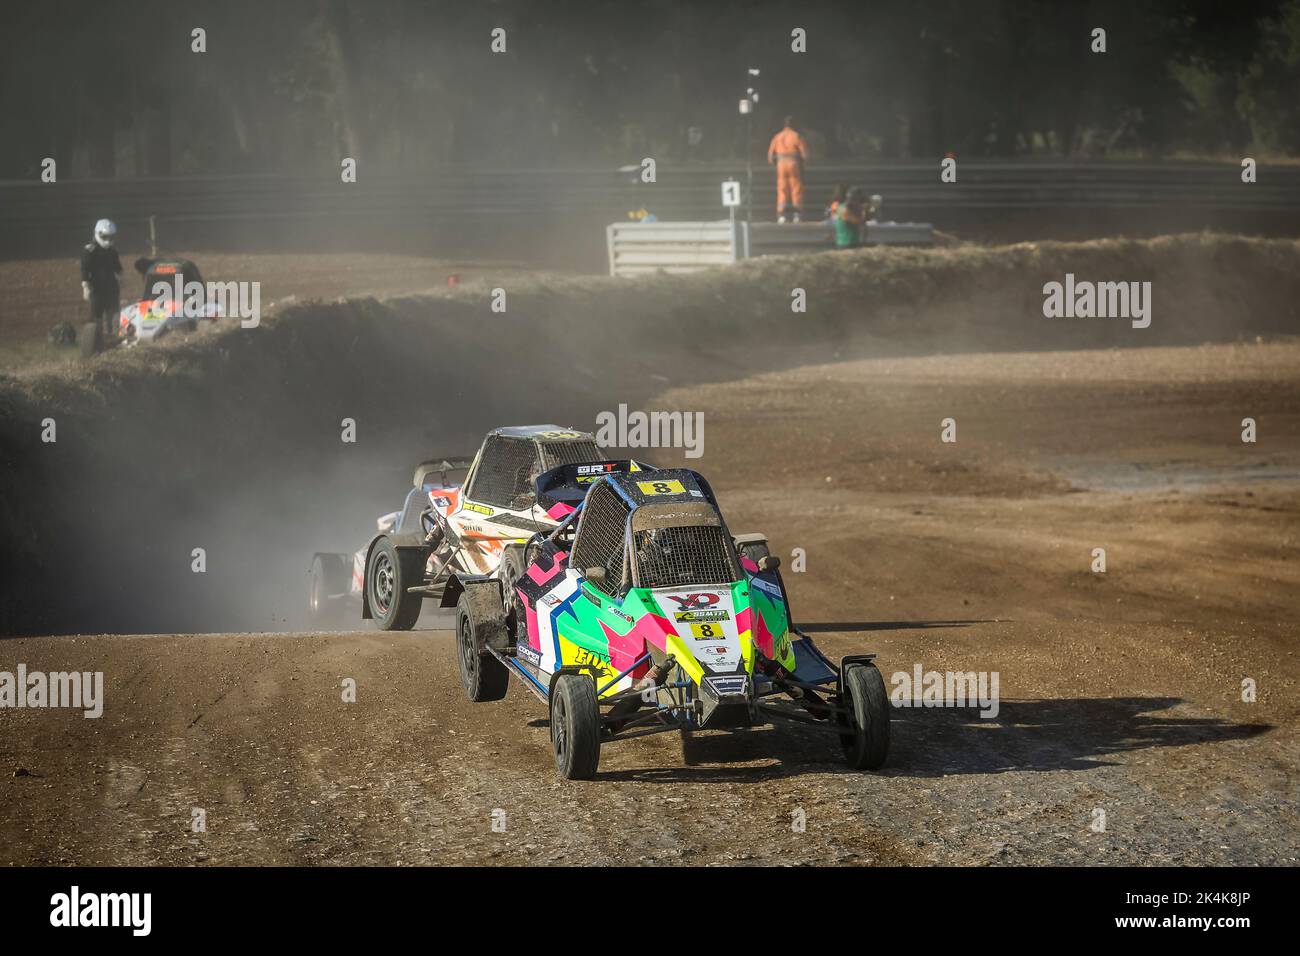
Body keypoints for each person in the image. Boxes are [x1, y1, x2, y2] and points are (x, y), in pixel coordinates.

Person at [80, 219, 122, 347]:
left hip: (112, 288)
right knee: (96, 317)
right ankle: (96, 343)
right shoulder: (90, 251)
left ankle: (115, 341)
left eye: (111, 237)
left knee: (114, 315)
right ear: (97, 234)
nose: (108, 240)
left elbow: (118, 267)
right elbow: (84, 269)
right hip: (96, 289)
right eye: (105, 237)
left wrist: (122, 277)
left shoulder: (112, 251)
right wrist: (85, 286)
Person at [766, 116, 809, 223]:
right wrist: (804, 163)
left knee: (782, 189)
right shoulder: (797, 136)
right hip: (793, 164)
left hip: (781, 165)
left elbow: (770, 157)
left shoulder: (777, 137)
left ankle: (781, 215)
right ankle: (797, 215)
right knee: (796, 189)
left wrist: (775, 164)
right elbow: (805, 155)